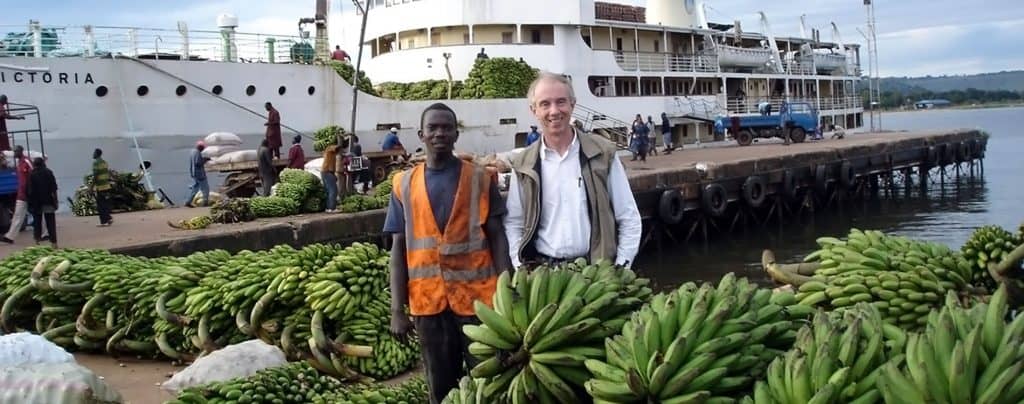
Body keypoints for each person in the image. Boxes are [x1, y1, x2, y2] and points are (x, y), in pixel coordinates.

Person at [385, 102, 512, 404]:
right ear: (421, 134)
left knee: (489, 384)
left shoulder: (481, 178)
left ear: (457, 134)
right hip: (428, 306)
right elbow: (398, 249)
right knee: (440, 389)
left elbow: (498, 239)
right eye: (433, 128)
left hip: (478, 304)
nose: (440, 133)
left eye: (447, 127)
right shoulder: (403, 184)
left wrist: (509, 294)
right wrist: (396, 310)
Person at [504, 72, 642, 269]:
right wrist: (520, 265)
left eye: (561, 102)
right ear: (534, 110)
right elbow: (514, 223)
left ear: (572, 105)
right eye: (545, 104)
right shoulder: (523, 164)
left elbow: (628, 217)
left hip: (596, 270)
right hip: (544, 272)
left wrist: (621, 266)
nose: (554, 111)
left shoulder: (603, 154)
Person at [1, 145, 33, 243]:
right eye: (14, 151)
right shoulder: (18, 163)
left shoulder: (26, 161)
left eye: (16, 151)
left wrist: (32, 191)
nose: (14, 153)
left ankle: (45, 234)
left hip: (30, 193)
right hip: (21, 194)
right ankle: (10, 237)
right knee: (18, 215)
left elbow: (33, 175)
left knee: (38, 213)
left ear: (20, 152)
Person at [26, 157, 57, 248]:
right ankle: (54, 243)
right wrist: (56, 200)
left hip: (36, 203)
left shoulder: (32, 174)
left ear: (35, 165)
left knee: (37, 223)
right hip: (48, 201)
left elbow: (29, 191)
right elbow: (54, 188)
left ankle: (37, 241)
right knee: (50, 223)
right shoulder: (49, 172)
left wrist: (30, 203)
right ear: (43, 164)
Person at [184, 141, 211, 207]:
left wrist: (203, 159)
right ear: (200, 147)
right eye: (203, 148)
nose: (203, 149)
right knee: (205, 188)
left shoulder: (192, 152)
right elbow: (198, 163)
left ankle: (188, 201)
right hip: (200, 174)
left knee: (195, 188)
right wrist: (205, 160)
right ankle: (205, 202)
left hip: (194, 173)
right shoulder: (197, 153)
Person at [92, 148, 113, 227]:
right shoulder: (104, 162)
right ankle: (108, 218)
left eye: (94, 153)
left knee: (100, 205)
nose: (92, 154)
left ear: (97, 154)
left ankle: (104, 221)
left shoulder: (96, 163)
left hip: (100, 187)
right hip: (107, 186)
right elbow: (108, 173)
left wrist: (91, 187)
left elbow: (95, 176)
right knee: (105, 203)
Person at [321, 142, 340, 213]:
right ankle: (332, 208)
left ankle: (329, 207)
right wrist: (340, 144)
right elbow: (334, 148)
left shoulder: (331, 154)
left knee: (329, 190)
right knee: (333, 190)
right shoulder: (329, 150)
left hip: (327, 172)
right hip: (327, 172)